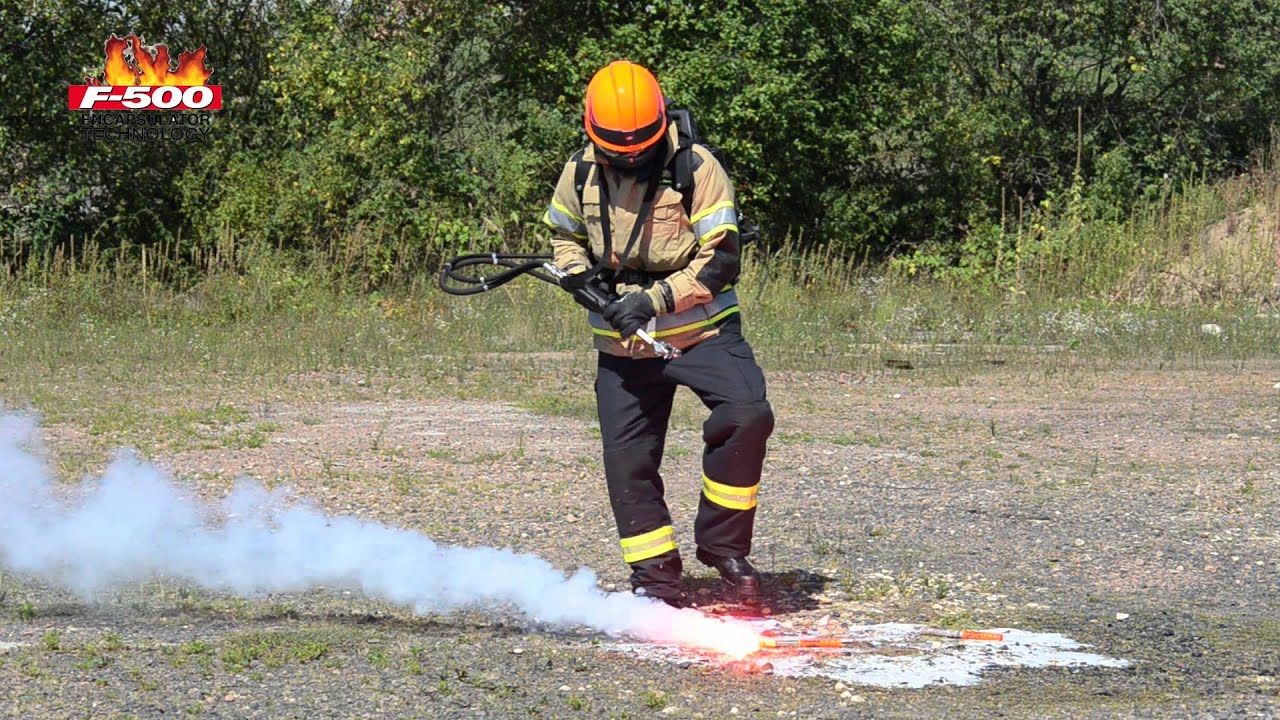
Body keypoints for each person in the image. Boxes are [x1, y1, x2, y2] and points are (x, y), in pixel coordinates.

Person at [541, 60, 774, 608]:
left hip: (701, 331)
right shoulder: (579, 172)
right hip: (621, 346)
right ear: (593, 133)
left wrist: (652, 299)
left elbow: (722, 261)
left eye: (640, 149)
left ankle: (723, 548)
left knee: (747, 414)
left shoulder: (697, 167)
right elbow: (563, 238)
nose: (629, 159)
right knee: (629, 462)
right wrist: (583, 282)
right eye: (616, 151)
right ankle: (655, 581)